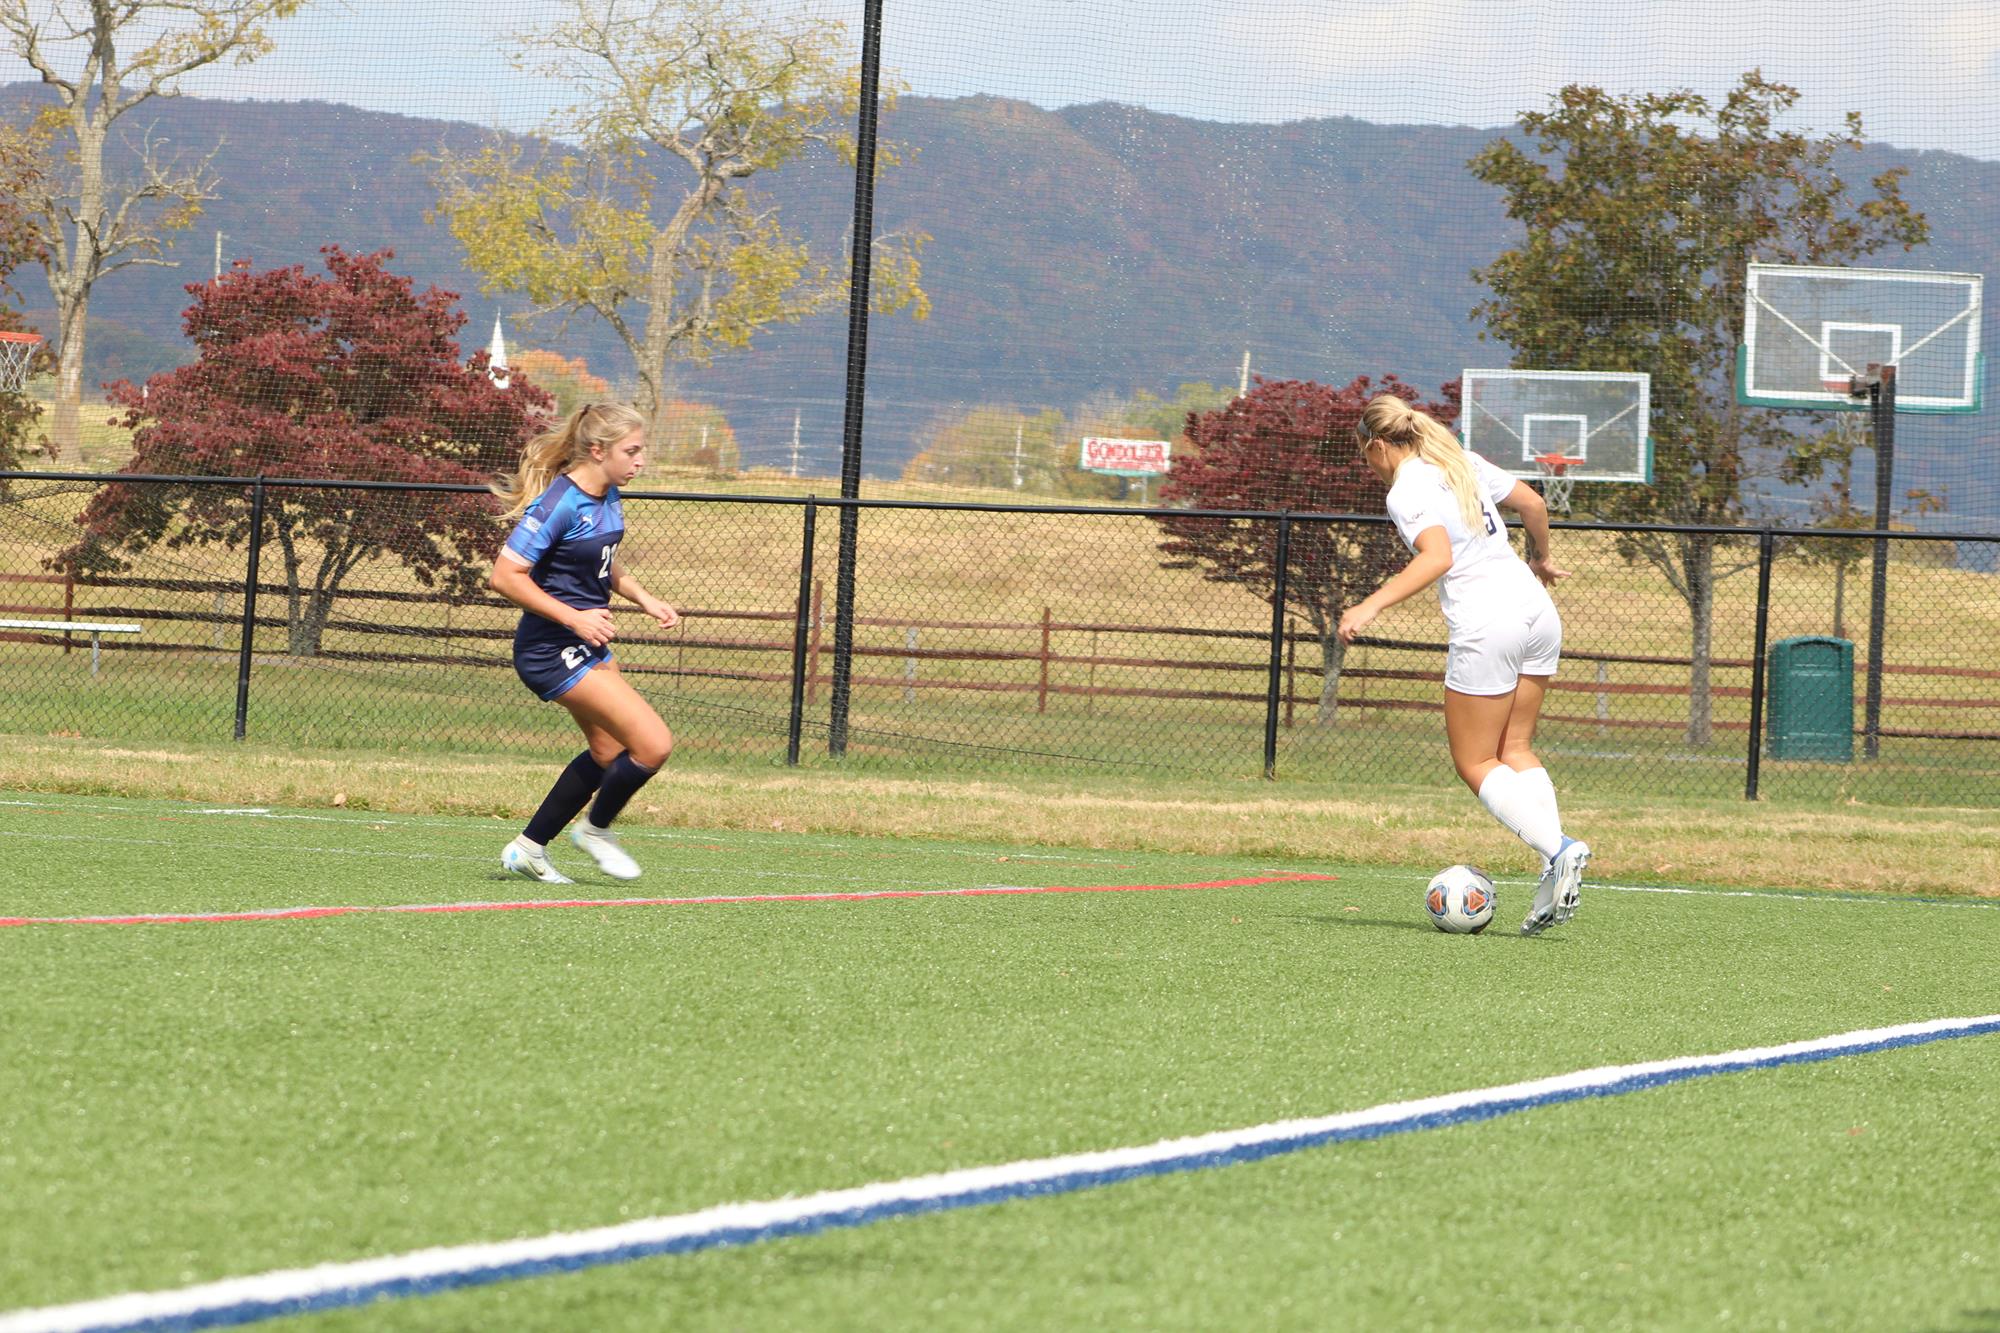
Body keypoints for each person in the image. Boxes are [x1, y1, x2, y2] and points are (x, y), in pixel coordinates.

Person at [1336, 395, 1589, 935]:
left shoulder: (1407, 489)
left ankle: (1560, 848)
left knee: (1474, 761)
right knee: (1514, 748)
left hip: (1488, 621)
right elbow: (1535, 504)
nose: (1368, 466)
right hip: (1537, 611)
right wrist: (1541, 558)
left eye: (1365, 456)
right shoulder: (1460, 461)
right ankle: (1554, 863)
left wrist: (1369, 604)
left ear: (1377, 445)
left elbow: (1437, 557)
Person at [488, 402, 680, 884]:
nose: (640, 461)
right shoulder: (559, 502)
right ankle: (594, 830)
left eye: (642, 451)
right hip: (550, 647)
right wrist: (574, 618)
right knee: (653, 744)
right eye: (631, 451)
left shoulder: (608, 494)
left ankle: (528, 849)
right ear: (597, 450)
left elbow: (601, 562)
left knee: (608, 751)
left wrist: (644, 598)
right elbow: (505, 576)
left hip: (580, 641)